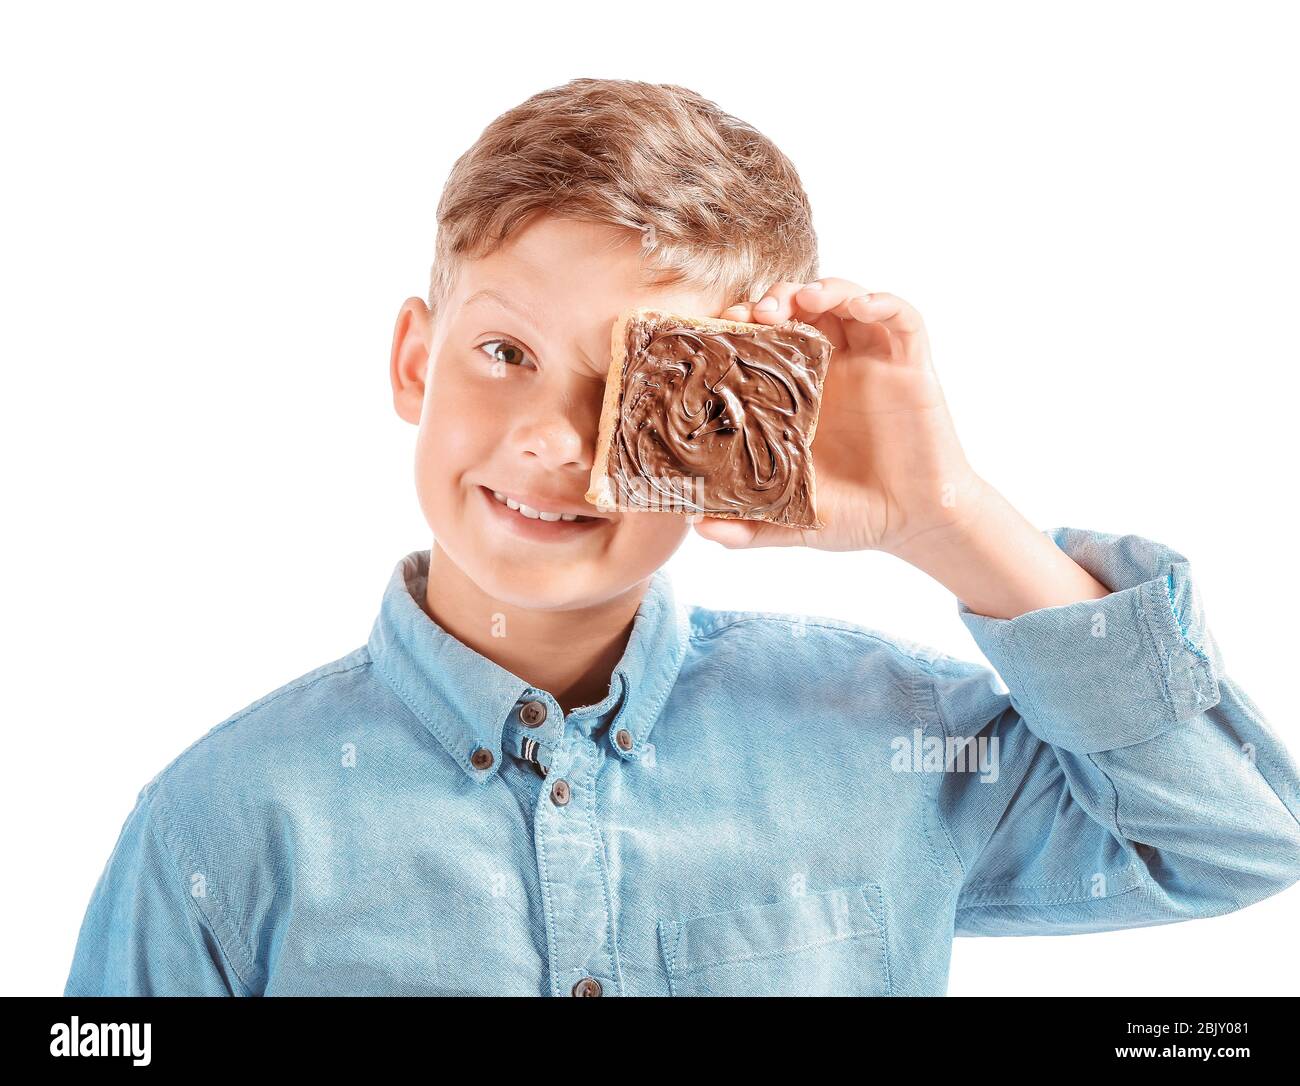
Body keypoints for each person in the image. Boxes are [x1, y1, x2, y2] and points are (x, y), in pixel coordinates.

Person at [64, 78, 1300, 997]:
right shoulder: (220, 824)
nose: (558, 439)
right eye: (506, 353)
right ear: (412, 359)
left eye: (644, 389)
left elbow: (1228, 840)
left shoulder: (883, 746)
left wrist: (950, 517)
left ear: (753, 422)